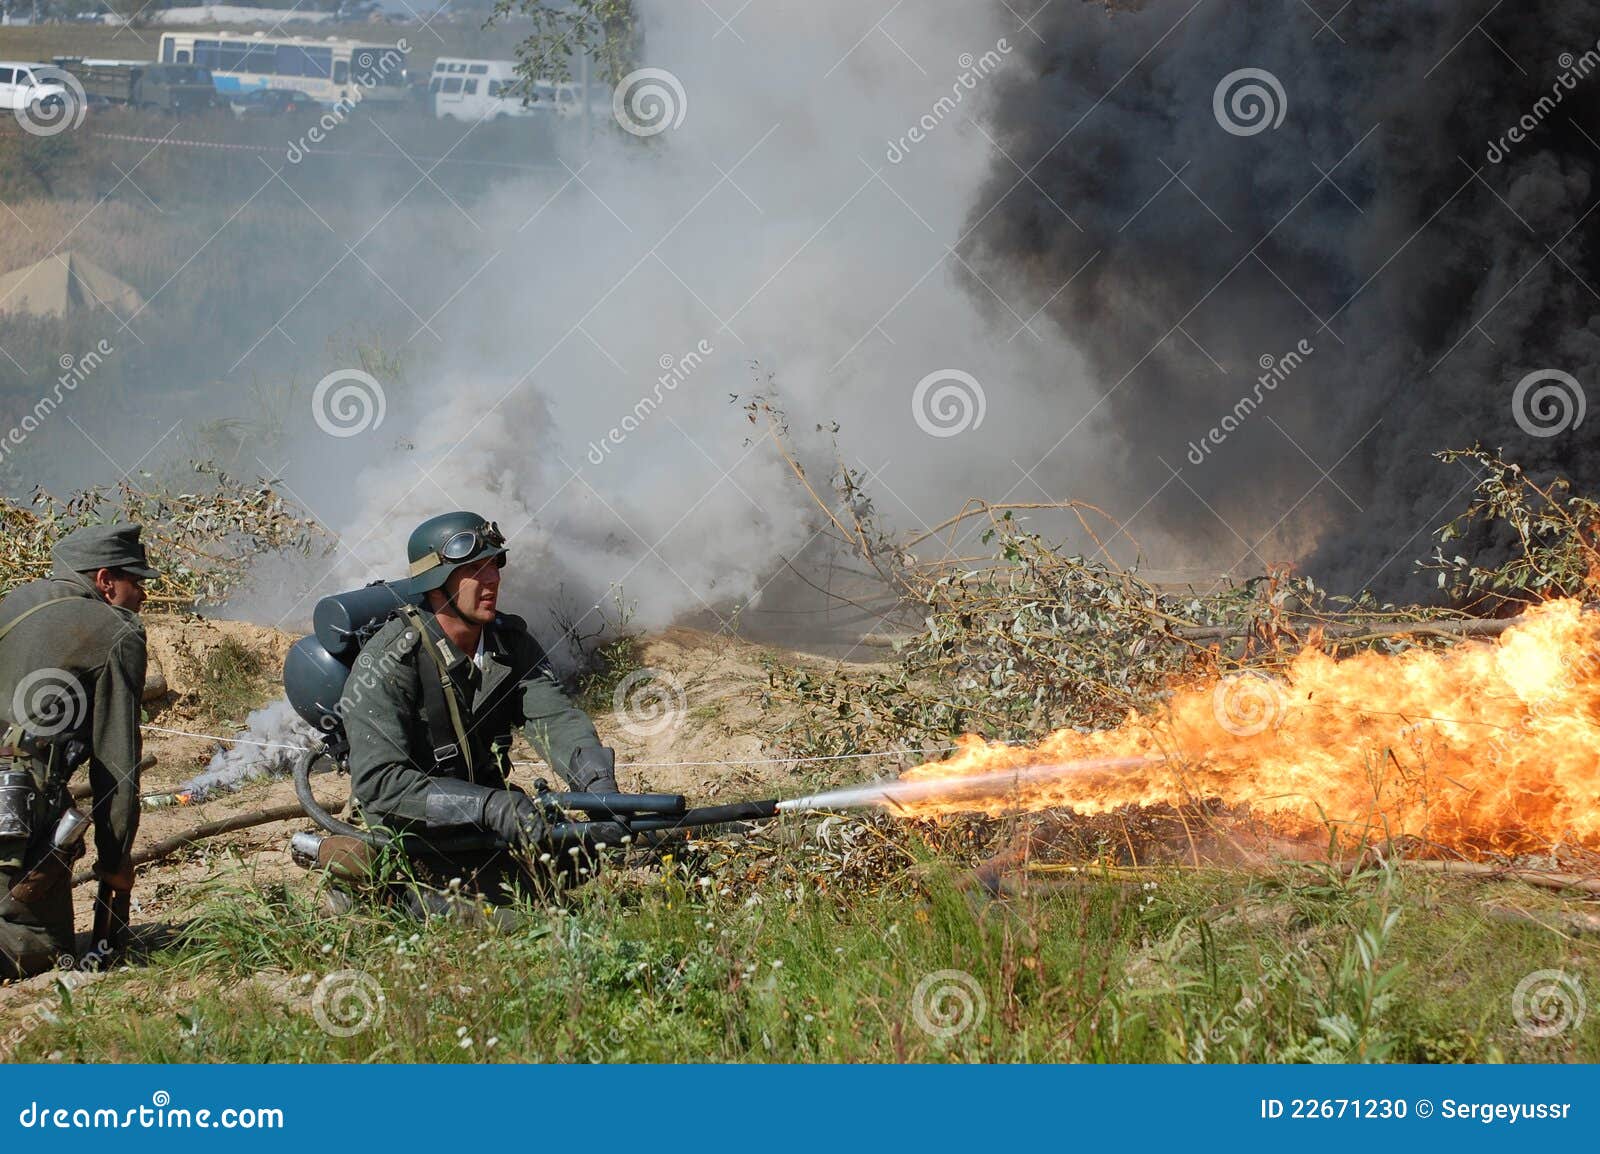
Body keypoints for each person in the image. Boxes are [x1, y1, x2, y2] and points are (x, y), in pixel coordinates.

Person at [341, 512, 624, 910]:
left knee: (586, 854)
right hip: (414, 837)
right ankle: (374, 895)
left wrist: (601, 792)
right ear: (436, 583)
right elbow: (379, 782)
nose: (491, 579)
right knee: (531, 924)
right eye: (474, 569)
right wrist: (489, 805)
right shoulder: (390, 661)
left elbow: (557, 719)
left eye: (494, 565)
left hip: (486, 828)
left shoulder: (508, 644)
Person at [0, 524, 153, 978]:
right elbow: (117, 765)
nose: (143, 594)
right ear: (106, 581)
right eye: (136, 581)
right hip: (14, 805)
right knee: (38, 948)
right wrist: (115, 862)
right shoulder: (117, 630)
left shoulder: (14, 602)